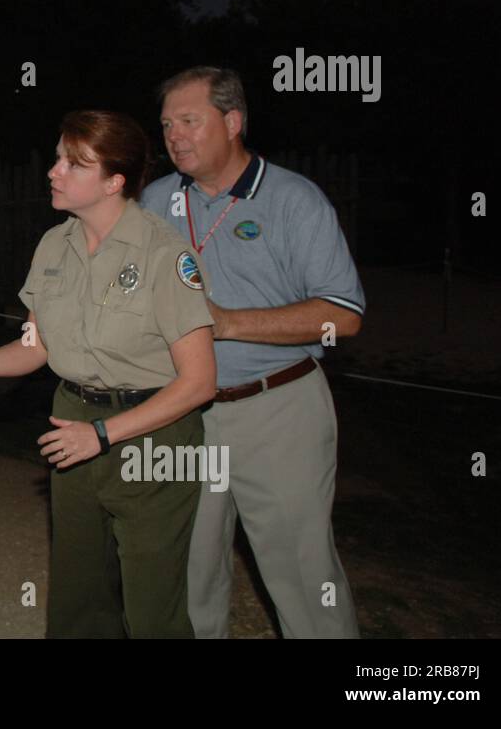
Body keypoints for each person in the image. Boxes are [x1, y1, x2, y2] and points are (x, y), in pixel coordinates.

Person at [0, 110, 217, 638]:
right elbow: (35, 347)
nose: (54, 171)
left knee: (153, 608)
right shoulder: (54, 246)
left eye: (74, 163)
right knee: (78, 599)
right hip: (72, 423)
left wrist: (103, 435)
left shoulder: (165, 253)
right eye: (59, 158)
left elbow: (199, 383)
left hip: (154, 435)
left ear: (115, 181)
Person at [141, 66, 364, 639]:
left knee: (301, 570)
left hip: (277, 408)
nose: (175, 136)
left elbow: (343, 314)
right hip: (186, 414)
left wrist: (229, 322)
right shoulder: (156, 199)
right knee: (187, 570)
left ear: (233, 121)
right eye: (167, 124)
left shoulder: (294, 199)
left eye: (189, 121)